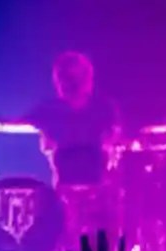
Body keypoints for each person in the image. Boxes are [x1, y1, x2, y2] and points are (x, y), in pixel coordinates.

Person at [26, 52, 123, 239]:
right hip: (62, 190)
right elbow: (22, 125)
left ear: (87, 79)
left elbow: (115, 139)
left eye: (74, 78)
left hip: (100, 189)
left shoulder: (104, 108)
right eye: (64, 79)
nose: (70, 84)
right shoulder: (48, 109)